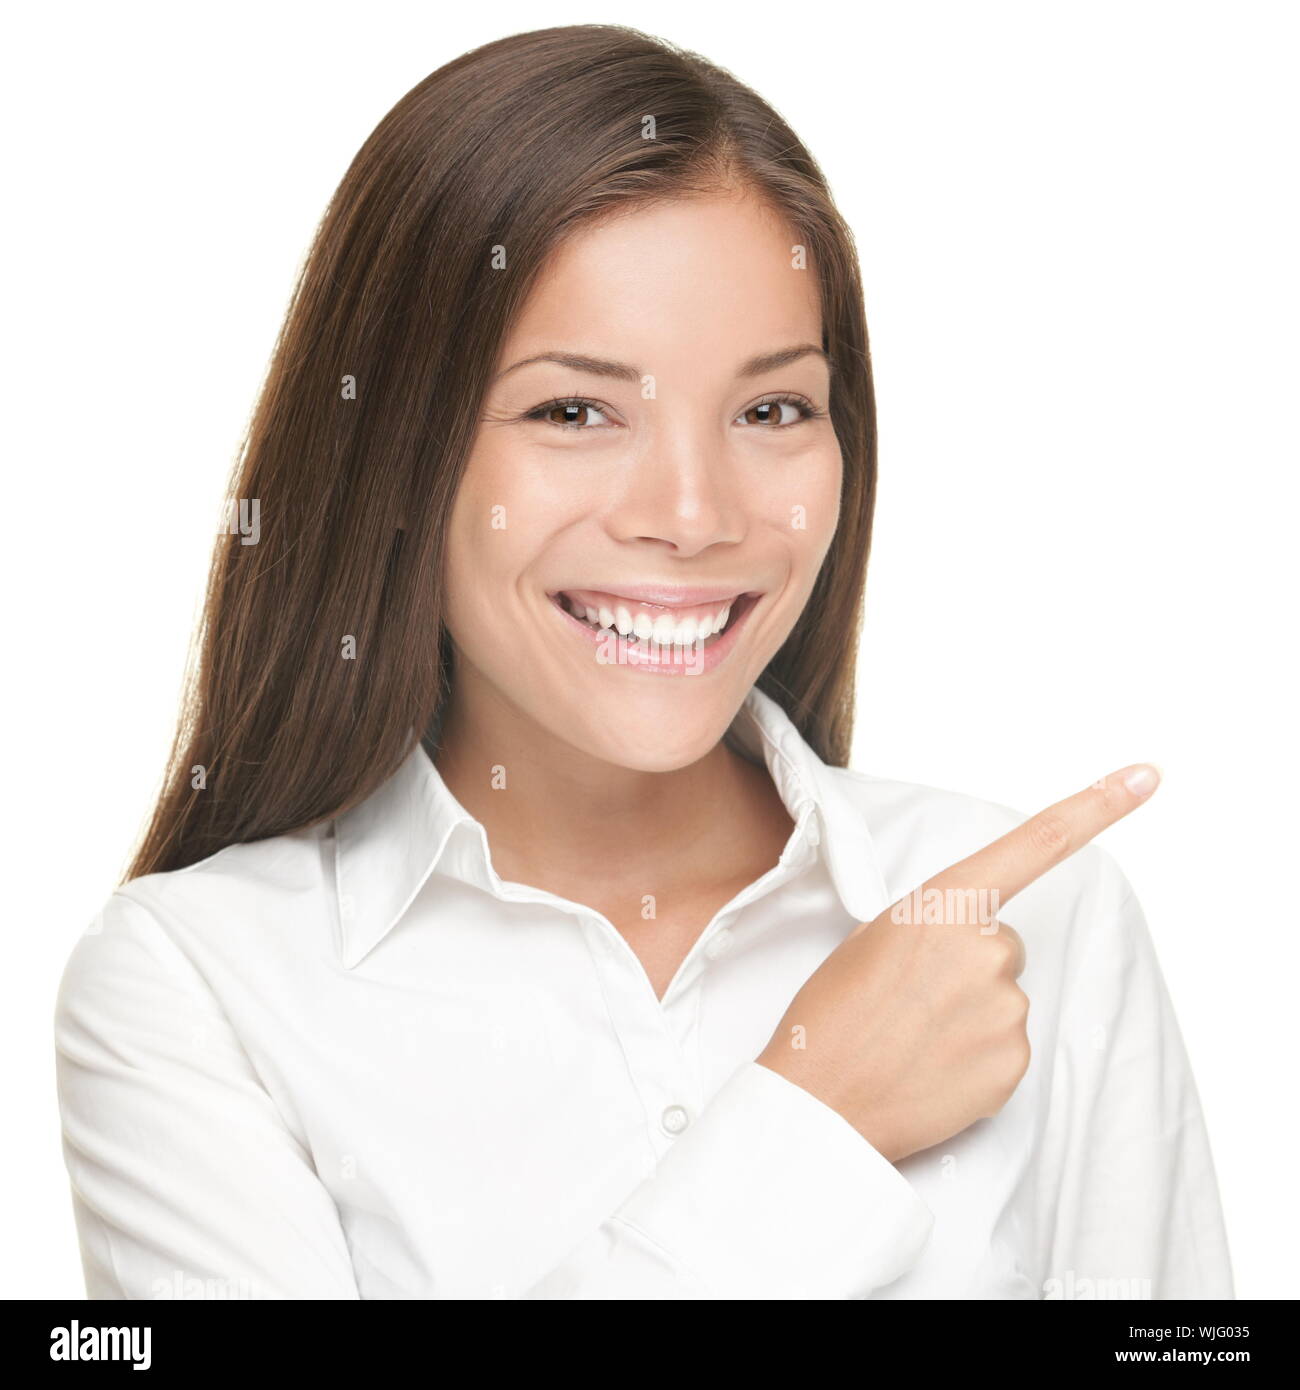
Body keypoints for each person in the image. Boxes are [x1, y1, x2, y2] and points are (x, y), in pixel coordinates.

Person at [54, 24, 1233, 1300]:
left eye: (771, 409)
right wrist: (817, 1117)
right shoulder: (194, 988)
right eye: (574, 410)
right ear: (397, 451)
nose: (692, 513)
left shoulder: (1031, 922)